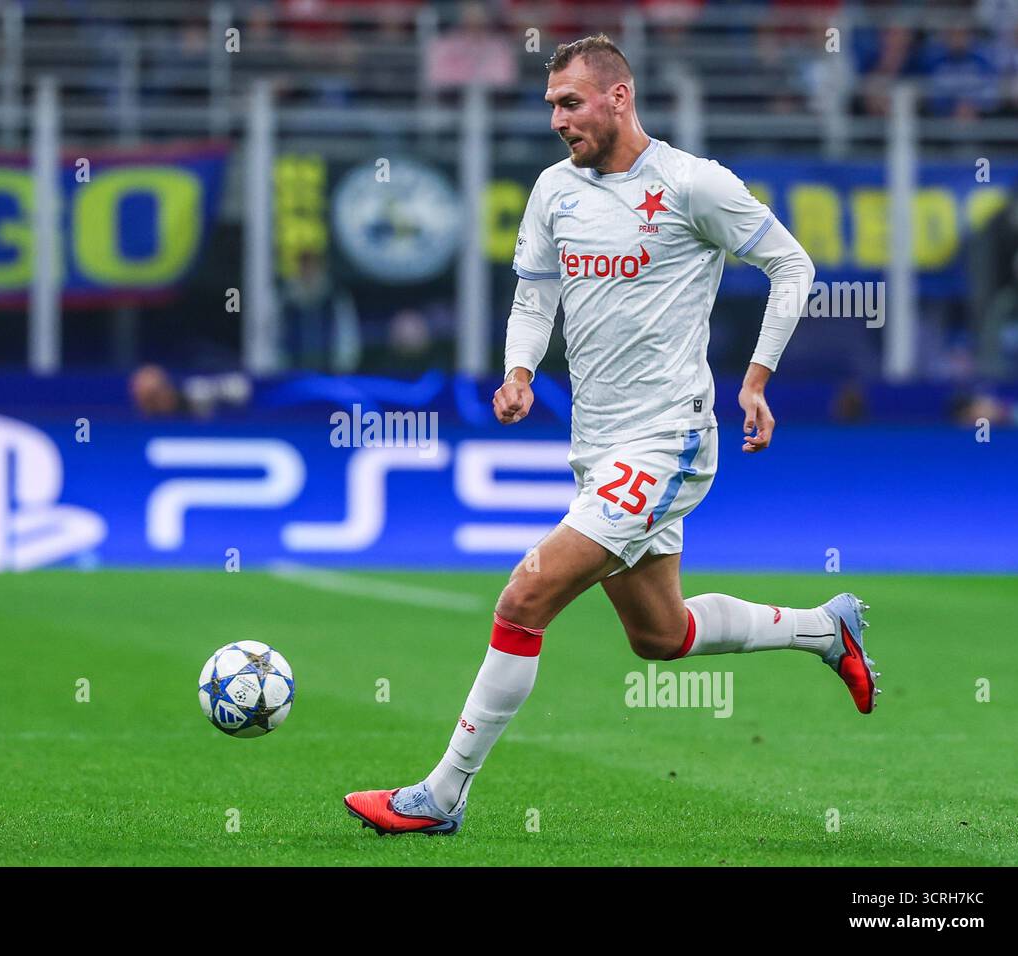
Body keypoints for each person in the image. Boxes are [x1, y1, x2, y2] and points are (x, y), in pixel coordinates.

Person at [344, 34, 879, 838]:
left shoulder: (693, 183)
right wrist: (520, 371)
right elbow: (535, 293)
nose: (558, 120)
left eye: (571, 103)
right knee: (661, 637)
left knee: (525, 596)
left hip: (666, 442)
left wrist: (758, 377)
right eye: (551, 105)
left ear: (618, 98)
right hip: (598, 447)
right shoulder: (554, 191)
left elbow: (792, 265)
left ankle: (440, 795)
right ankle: (823, 628)